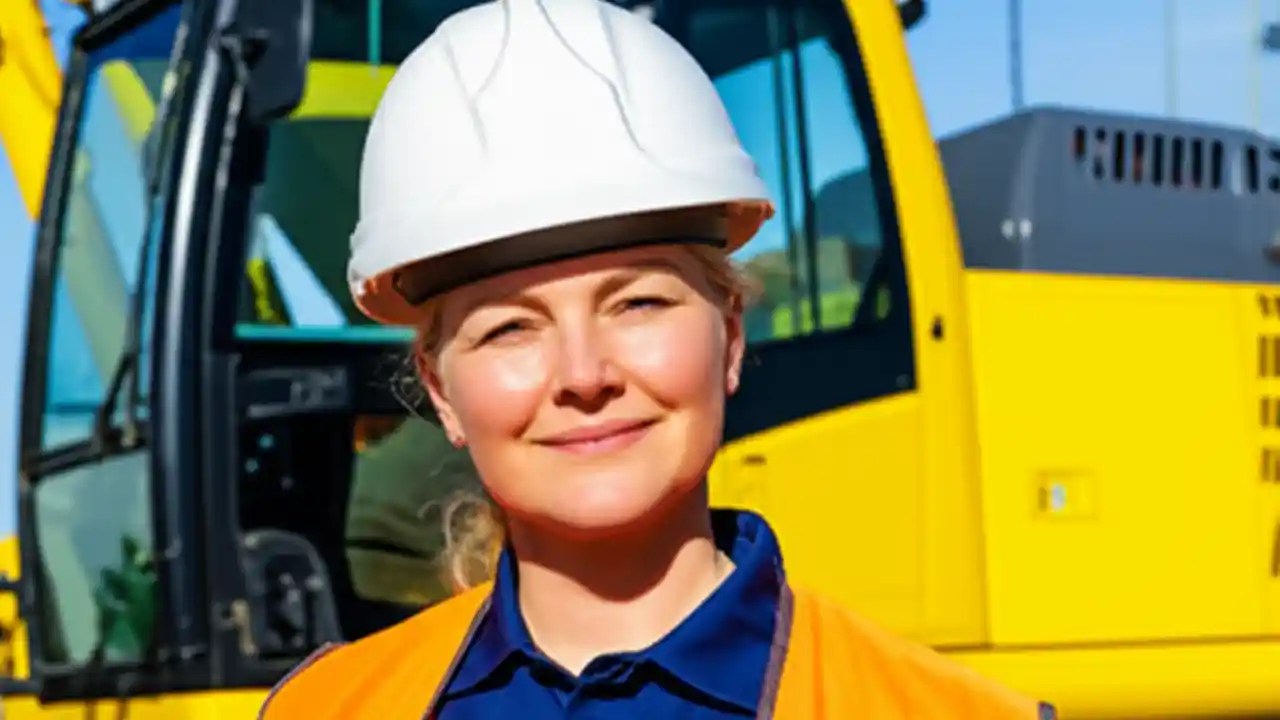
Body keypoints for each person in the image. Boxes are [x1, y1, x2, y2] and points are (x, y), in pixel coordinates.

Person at [259, 0, 1056, 717]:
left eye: (637, 304)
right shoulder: (327, 710)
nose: (584, 375)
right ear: (440, 391)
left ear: (731, 337)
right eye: (510, 329)